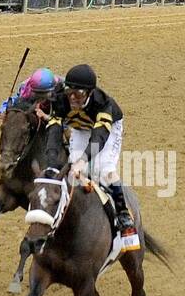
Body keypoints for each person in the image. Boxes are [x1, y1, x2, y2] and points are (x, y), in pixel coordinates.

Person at [44, 63, 139, 254]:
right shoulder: (60, 100)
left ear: (89, 93)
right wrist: (51, 161)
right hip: (79, 128)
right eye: (69, 91)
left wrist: (82, 160)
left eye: (78, 94)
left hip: (106, 131)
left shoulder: (103, 103)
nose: (72, 97)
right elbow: (54, 131)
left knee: (104, 170)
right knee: (73, 174)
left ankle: (123, 215)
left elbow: (98, 139)